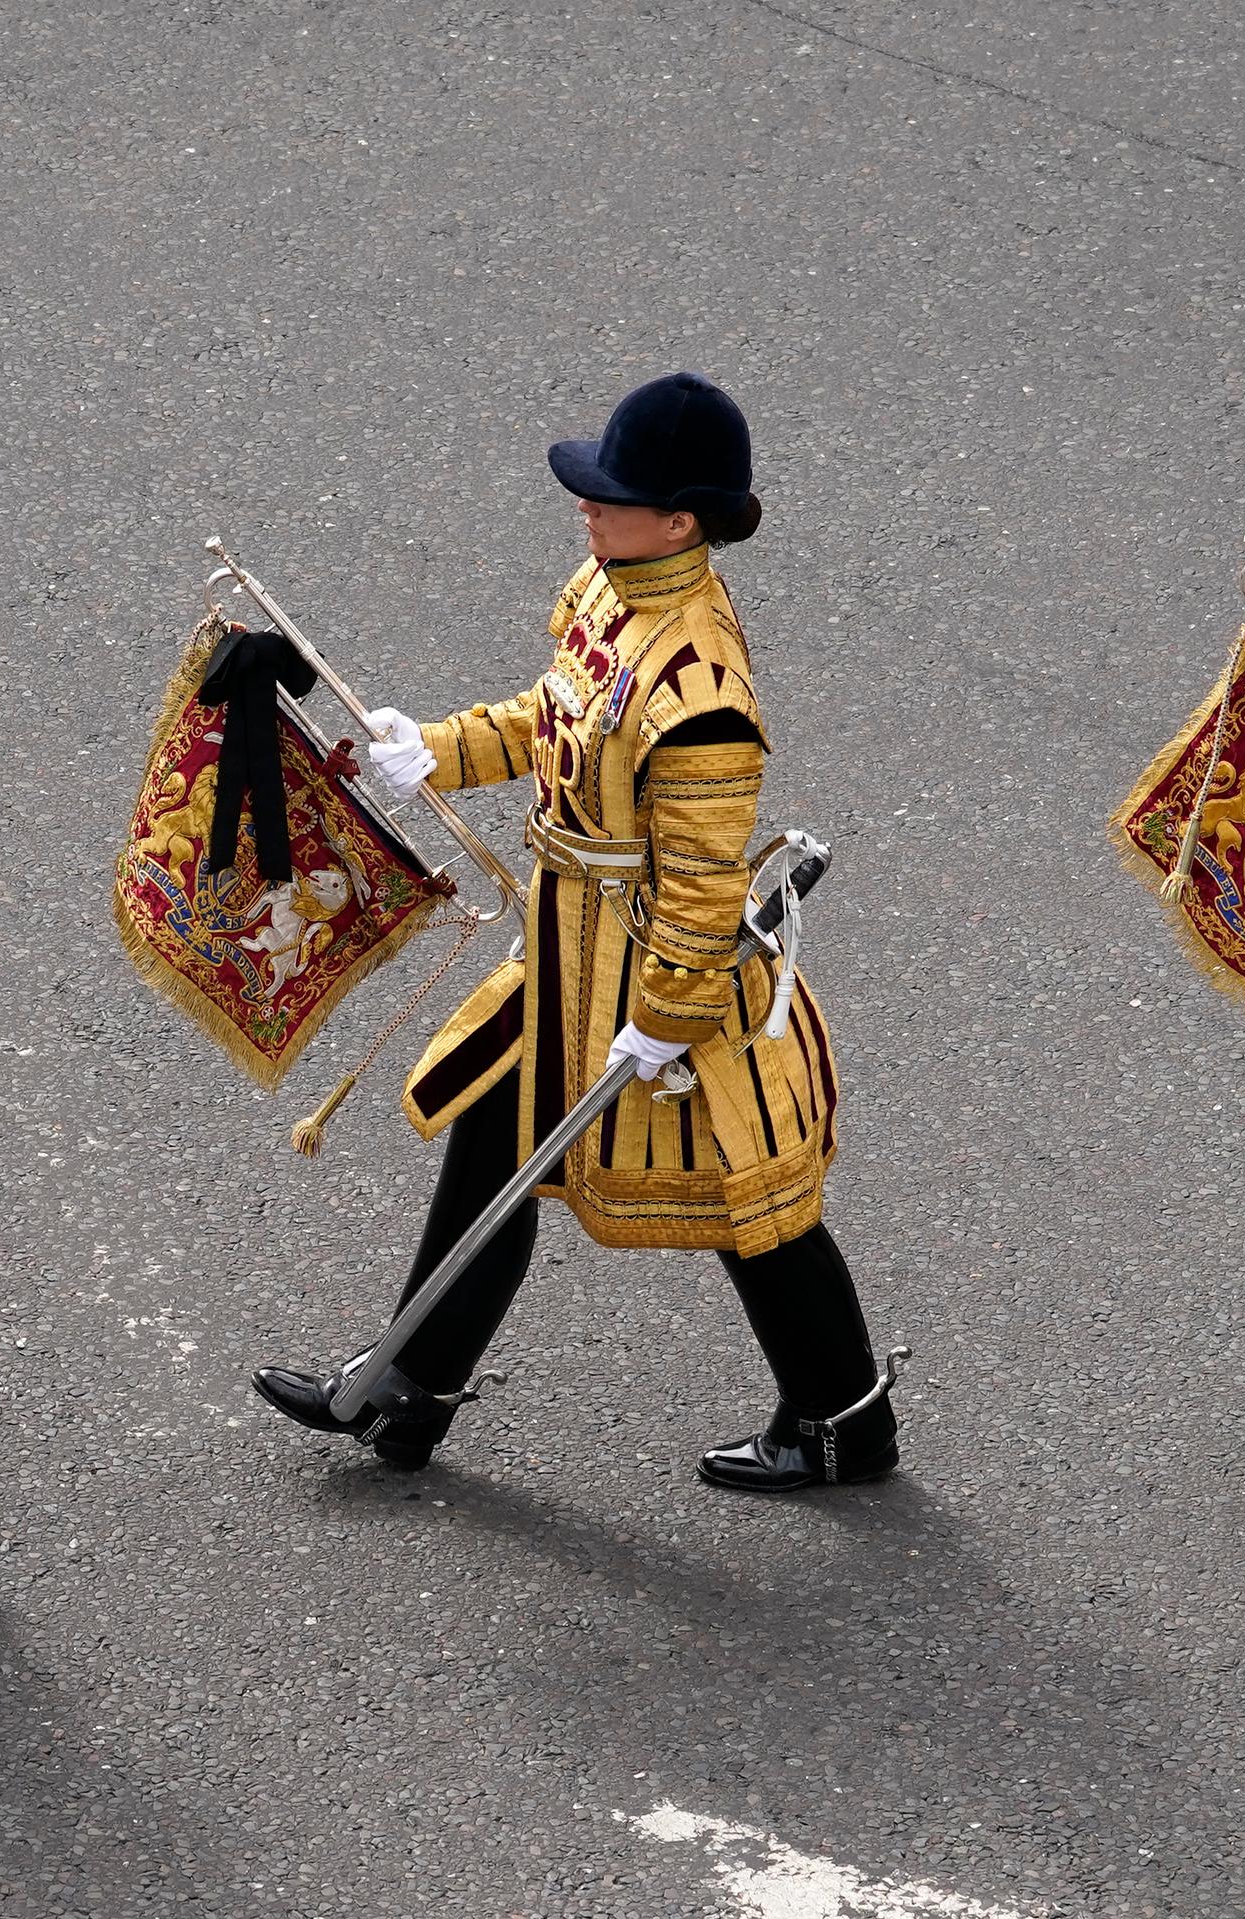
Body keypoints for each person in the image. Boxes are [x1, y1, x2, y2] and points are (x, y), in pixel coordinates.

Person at [254, 372, 900, 1491]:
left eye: (611, 495)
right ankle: (408, 1385)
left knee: (751, 1198)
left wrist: (660, 1020)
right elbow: (554, 715)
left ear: (683, 519)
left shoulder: (703, 696)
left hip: (657, 975)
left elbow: (700, 887)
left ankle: (846, 1418)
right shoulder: (612, 586)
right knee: (494, 1136)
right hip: (566, 951)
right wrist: (439, 750)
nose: (585, 510)